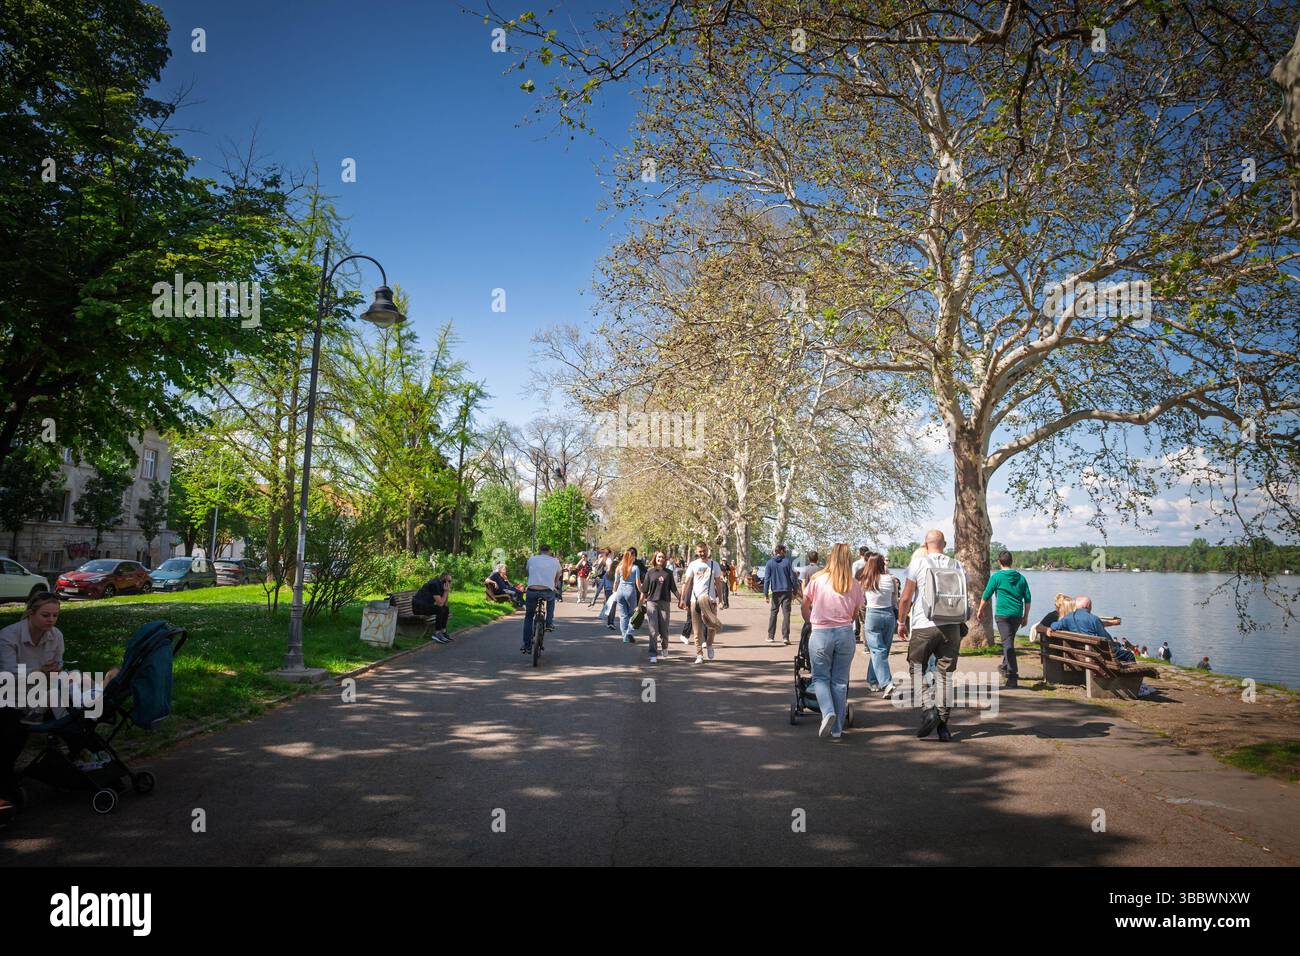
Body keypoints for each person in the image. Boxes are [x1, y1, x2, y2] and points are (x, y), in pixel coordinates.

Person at [897, 530, 967, 742]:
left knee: (916, 667)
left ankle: (929, 709)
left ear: (925, 545)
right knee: (945, 676)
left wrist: (901, 622)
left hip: (923, 624)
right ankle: (943, 726)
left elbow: (906, 597)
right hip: (952, 625)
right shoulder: (956, 565)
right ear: (944, 544)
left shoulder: (918, 563)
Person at [1, 592, 64, 816]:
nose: (51, 620)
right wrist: (39, 672)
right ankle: (7, 785)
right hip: (9, 694)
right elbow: (7, 674)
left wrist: (55, 673)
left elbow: (58, 666)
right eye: (45, 615)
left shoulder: (55, 636)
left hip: (40, 693)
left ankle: (84, 768)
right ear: (31, 614)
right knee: (14, 730)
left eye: (55, 615)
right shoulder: (9, 636)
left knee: (75, 716)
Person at [800, 544, 864, 740]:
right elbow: (855, 614)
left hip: (821, 632)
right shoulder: (853, 584)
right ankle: (837, 729)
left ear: (831, 558)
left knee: (820, 678)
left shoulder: (818, 579)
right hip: (845, 633)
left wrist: (810, 621)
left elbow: (805, 605)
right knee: (840, 682)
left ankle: (827, 712)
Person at [977, 550, 1032, 689]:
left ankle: (1013, 677)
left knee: (1008, 645)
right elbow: (1028, 599)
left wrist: (980, 610)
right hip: (1017, 615)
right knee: (1009, 642)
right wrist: (1025, 616)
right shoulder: (1021, 578)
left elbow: (986, 594)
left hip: (1003, 615)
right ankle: (1004, 667)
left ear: (999, 562)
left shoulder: (997, 577)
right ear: (1011, 561)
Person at [859, 553, 899, 698]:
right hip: (888, 614)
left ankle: (875, 680)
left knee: (878, 651)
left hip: (872, 614)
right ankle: (886, 683)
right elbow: (895, 600)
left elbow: (860, 600)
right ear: (883, 564)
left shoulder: (866, 580)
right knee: (881, 651)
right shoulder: (891, 579)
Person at [680, 541, 723, 663]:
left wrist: (721, 600)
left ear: (708, 550)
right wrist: (682, 599)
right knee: (697, 629)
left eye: (704, 551)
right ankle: (699, 654)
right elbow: (687, 582)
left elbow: (719, 584)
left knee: (712, 626)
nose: (702, 553)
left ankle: (709, 644)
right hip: (695, 601)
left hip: (710, 601)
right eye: (700, 551)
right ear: (696, 552)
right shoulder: (693, 565)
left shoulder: (714, 565)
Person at [521, 544, 561, 655]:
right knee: (551, 600)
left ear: (539, 551)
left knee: (529, 617)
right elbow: (558, 575)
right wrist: (554, 585)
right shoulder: (555, 561)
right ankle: (549, 623)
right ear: (550, 551)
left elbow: (528, 572)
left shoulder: (532, 559)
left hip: (532, 590)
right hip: (547, 590)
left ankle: (527, 645)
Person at [640, 551, 678, 663]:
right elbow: (644, 590)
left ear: (665, 559)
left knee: (664, 629)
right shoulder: (650, 572)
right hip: (651, 603)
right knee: (653, 630)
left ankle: (665, 647)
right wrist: (639, 605)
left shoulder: (668, 573)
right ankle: (653, 654)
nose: (660, 559)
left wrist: (682, 600)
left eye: (662, 557)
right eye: (658, 557)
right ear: (655, 558)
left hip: (664, 603)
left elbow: (674, 589)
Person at [764, 543, 798, 645]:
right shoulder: (788, 562)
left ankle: (770, 636)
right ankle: (785, 637)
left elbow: (766, 579)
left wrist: (766, 594)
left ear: (775, 552)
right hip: (786, 591)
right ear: (782, 551)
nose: (786, 553)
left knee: (773, 613)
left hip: (775, 591)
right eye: (785, 551)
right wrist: (795, 590)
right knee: (786, 614)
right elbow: (793, 577)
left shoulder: (769, 563)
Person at [613, 548, 643, 644]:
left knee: (623, 615)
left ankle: (624, 636)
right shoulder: (635, 568)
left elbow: (616, 582)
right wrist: (643, 592)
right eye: (634, 556)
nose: (635, 558)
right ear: (632, 557)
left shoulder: (619, 568)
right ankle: (628, 633)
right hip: (630, 591)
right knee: (632, 614)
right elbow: (638, 583)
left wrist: (614, 592)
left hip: (620, 591)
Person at [413, 572, 454, 643]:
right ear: (444, 580)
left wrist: (446, 591)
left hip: (426, 605)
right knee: (439, 609)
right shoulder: (434, 585)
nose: (450, 583)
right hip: (418, 607)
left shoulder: (441, 585)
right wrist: (446, 592)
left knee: (445, 609)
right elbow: (440, 603)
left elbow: (445, 604)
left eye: (451, 581)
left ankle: (443, 632)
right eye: (449, 581)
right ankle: (437, 633)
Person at [851, 546, 871, 643]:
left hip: (858, 589)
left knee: (858, 613)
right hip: (869, 590)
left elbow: (853, 578)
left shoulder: (856, 564)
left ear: (860, 553)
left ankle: (857, 634)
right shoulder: (872, 564)